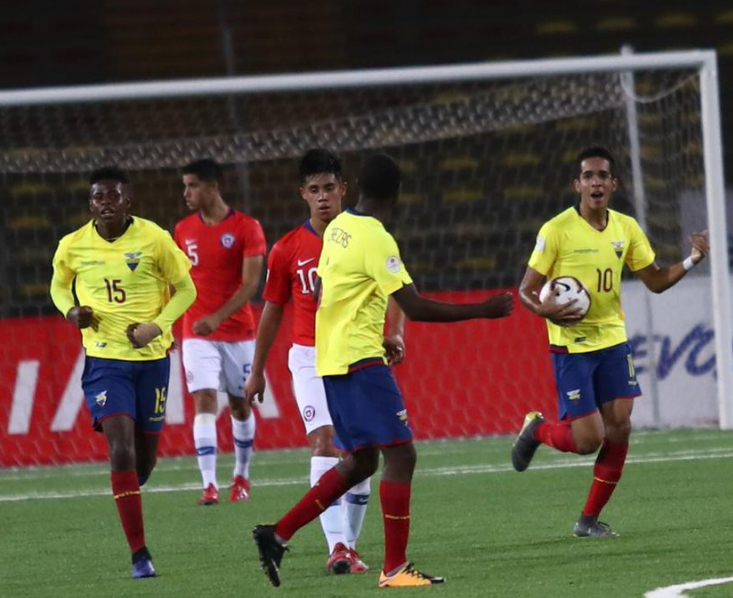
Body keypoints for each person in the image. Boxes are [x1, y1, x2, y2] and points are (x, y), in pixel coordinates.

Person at [252, 153, 513, 588]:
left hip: (332, 360)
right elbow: (414, 305)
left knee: (360, 461)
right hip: (359, 360)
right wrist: (481, 310)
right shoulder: (376, 238)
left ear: (354, 188)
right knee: (401, 454)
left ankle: (276, 534)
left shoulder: (339, 229)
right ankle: (394, 568)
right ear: (397, 194)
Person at [510, 147, 708, 538]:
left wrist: (691, 260)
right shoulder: (556, 230)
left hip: (613, 341)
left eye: (602, 175)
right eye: (588, 176)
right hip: (572, 347)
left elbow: (653, 280)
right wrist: (546, 312)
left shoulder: (626, 228)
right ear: (577, 185)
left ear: (613, 184)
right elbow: (526, 290)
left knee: (620, 428)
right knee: (588, 440)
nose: (596, 182)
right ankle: (537, 430)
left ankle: (587, 520)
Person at [244, 149, 405, 574]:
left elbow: (396, 288)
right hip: (311, 357)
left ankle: (348, 546)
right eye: (313, 190)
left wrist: (394, 332)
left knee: (362, 451)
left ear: (344, 189)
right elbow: (273, 309)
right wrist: (257, 369)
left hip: (358, 352)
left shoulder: (363, 234)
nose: (322, 198)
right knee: (325, 442)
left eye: (329, 188)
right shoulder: (286, 249)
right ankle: (337, 545)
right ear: (302, 194)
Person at [50, 166, 196, 578]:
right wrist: (71, 311)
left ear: (128, 202)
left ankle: (126, 489)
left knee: (143, 461)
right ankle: (140, 555)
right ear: (90, 203)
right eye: (99, 197)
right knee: (121, 449)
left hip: (151, 360)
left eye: (114, 196)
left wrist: (157, 326)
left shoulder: (154, 239)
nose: (106, 203)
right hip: (104, 360)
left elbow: (187, 289)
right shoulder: (73, 245)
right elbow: (59, 285)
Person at [174, 158, 267, 506]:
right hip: (197, 331)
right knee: (205, 400)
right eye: (185, 186)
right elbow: (178, 280)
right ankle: (209, 484)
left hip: (239, 332)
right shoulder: (182, 230)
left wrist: (217, 317)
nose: (186, 193)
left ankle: (241, 475)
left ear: (212, 187)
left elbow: (250, 285)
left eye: (192, 185)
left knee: (241, 406)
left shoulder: (247, 227)